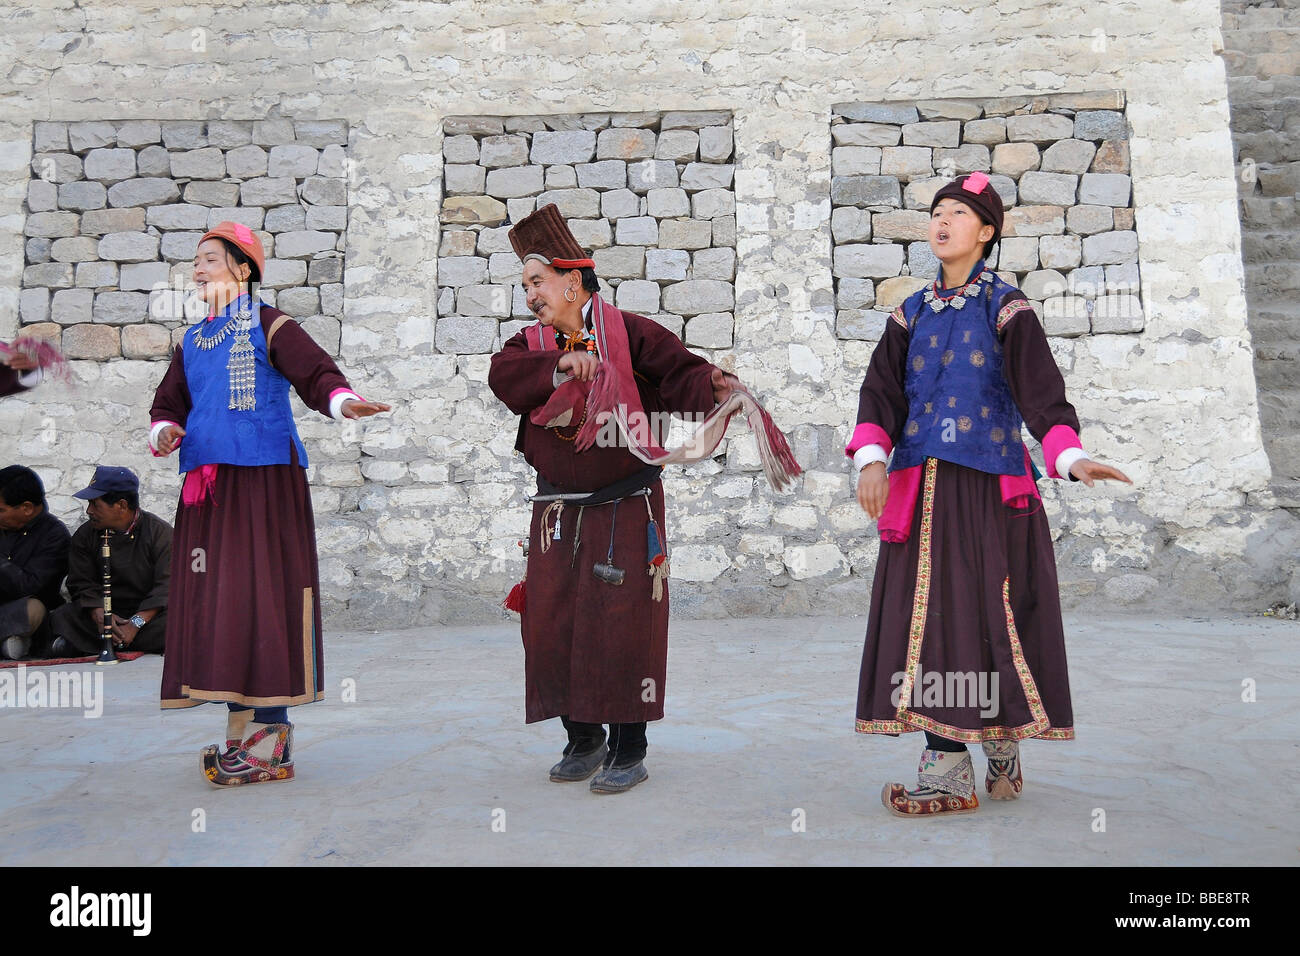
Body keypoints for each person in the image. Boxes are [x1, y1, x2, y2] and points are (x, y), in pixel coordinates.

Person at [846, 172, 1132, 817]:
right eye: (936, 213)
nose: (941, 222)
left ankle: (974, 759)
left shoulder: (1008, 309)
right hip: (919, 487)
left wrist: (1072, 456)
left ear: (987, 231)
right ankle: (974, 753)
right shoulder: (909, 313)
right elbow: (880, 395)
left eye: (957, 213)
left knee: (982, 614)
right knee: (929, 622)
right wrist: (871, 459)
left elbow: (1042, 394)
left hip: (987, 487)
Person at [488, 204, 798, 794]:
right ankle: (583, 736)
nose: (530, 295)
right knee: (552, 623)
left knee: (622, 623)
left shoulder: (628, 333)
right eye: (525, 285)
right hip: (557, 511)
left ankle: (629, 746)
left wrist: (712, 383)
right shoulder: (528, 345)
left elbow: (679, 372)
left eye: (538, 282)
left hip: (627, 506)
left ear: (572, 282)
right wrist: (560, 365)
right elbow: (505, 377)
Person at [149, 221, 390, 787]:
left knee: (264, 597)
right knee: (224, 603)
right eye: (196, 260)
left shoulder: (269, 322)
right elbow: (168, 406)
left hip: (263, 482)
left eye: (210, 258)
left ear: (243, 267)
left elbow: (315, 372)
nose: (198, 269)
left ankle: (268, 745)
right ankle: (243, 738)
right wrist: (162, 432)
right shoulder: (192, 341)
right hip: (208, 489)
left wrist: (343, 400)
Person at [49, 466, 171, 658]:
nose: (89, 511)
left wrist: (136, 623)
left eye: (95, 504)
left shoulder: (160, 533)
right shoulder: (85, 535)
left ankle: (94, 644)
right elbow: (81, 582)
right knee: (63, 615)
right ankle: (120, 641)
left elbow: (167, 586)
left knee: (178, 622)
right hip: (105, 612)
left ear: (121, 505)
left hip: (148, 615)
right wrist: (98, 612)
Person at [0, 466, 70, 660]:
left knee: (33, 608)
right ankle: (8, 644)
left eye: (1, 510)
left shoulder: (54, 535)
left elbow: (30, 586)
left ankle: (14, 643)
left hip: (20, 611)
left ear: (27, 508)